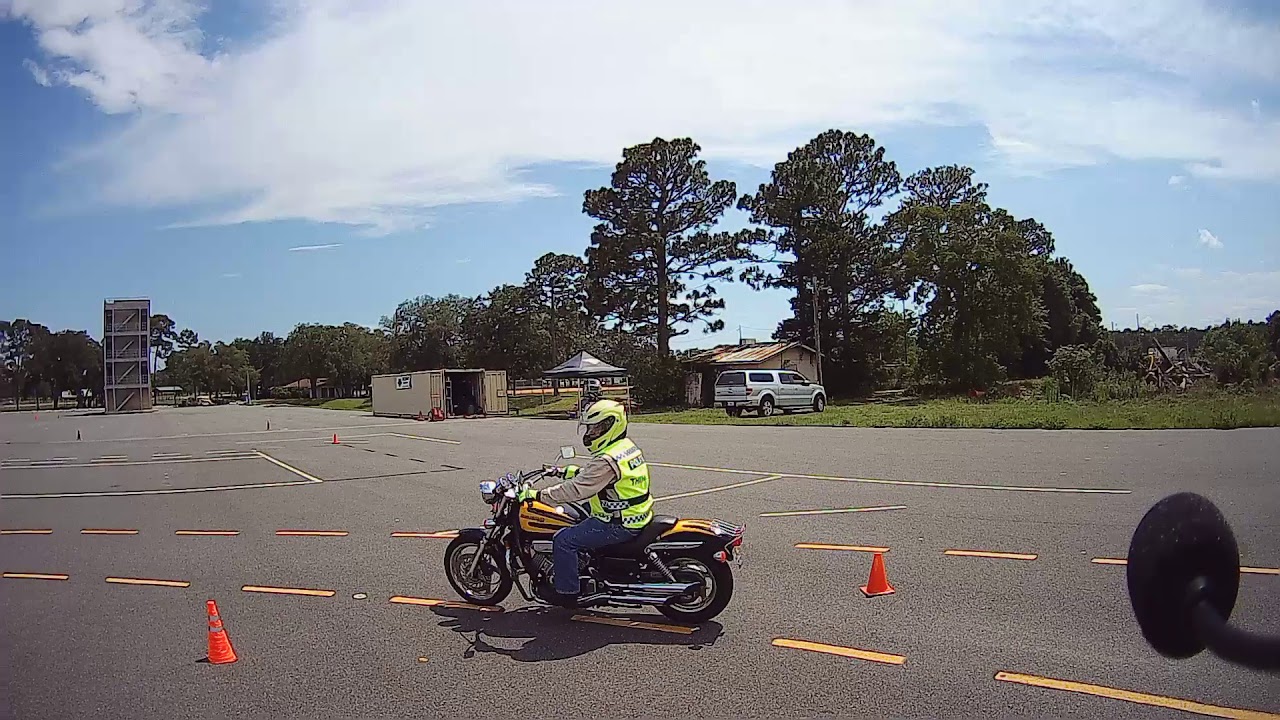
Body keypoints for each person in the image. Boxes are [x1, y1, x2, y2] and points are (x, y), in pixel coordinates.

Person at [518, 399, 652, 607]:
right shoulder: (624, 447)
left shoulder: (606, 459)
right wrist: (564, 471)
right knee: (575, 516)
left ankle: (568, 592)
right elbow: (596, 478)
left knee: (563, 539)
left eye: (596, 428)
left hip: (618, 522)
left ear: (610, 425)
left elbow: (577, 489)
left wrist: (537, 496)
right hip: (635, 513)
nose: (591, 433)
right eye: (590, 428)